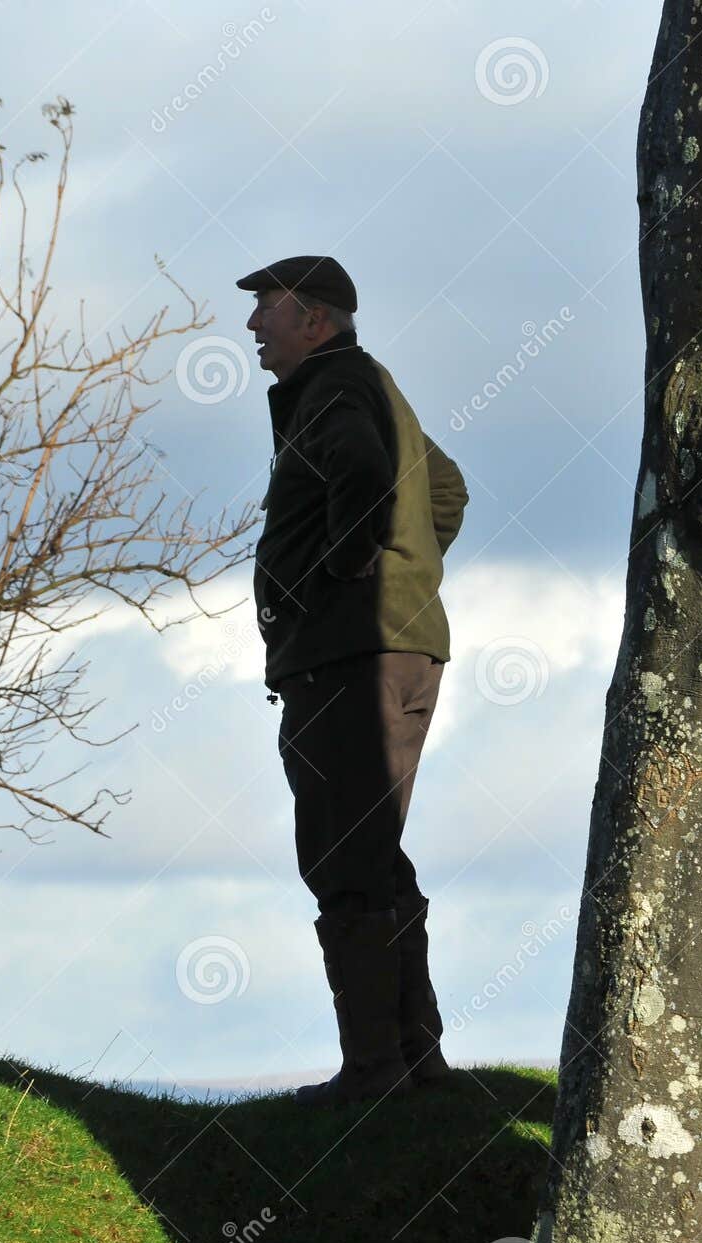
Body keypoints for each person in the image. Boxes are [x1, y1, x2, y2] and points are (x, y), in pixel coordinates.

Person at [237, 254, 468, 1107]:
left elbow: (367, 480)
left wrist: (345, 576)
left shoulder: (331, 390)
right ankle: (414, 1064)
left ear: (314, 321)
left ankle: (375, 1072)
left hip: (350, 655)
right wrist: (405, 578)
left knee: (341, 853)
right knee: (372, 855)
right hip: (395, 649)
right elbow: (444, 491)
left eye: (267, 308)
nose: (253, 326)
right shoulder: (369, 382)